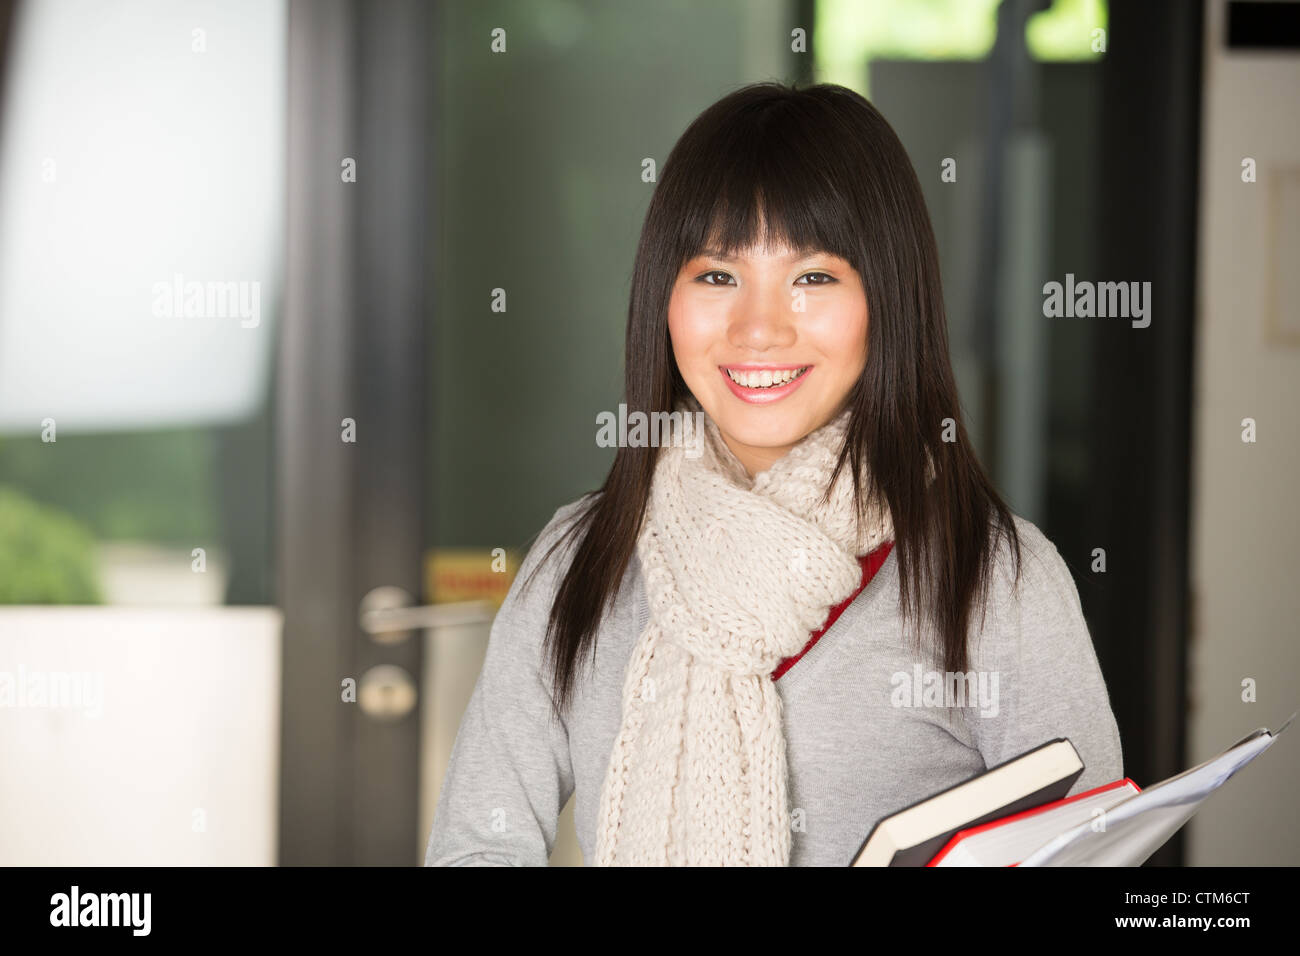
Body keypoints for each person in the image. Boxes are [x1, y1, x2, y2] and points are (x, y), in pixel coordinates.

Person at [425, 80, 1122, 867]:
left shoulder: (992, 576)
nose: (759, 328)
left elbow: (1091, 853)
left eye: (814, 277)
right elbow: (476, 846)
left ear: (886, 301)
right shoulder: (579, 559)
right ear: (665, 295)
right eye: (718, 276)